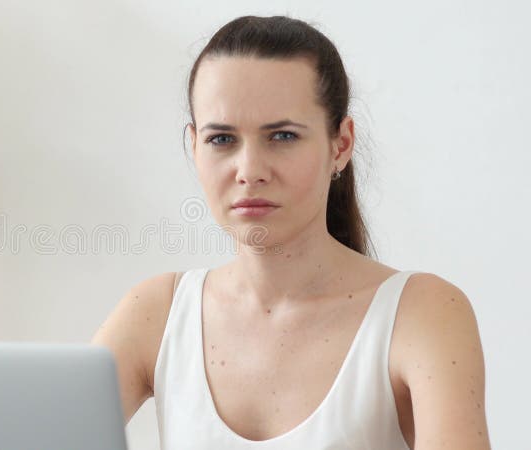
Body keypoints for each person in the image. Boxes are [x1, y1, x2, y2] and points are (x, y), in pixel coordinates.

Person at [91, 15, 490, 450]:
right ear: (194, 146)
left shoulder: (422, 315)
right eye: (221, 139)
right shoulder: (158, 313)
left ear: (341, 145)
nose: (249, 171)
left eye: (282, 136)